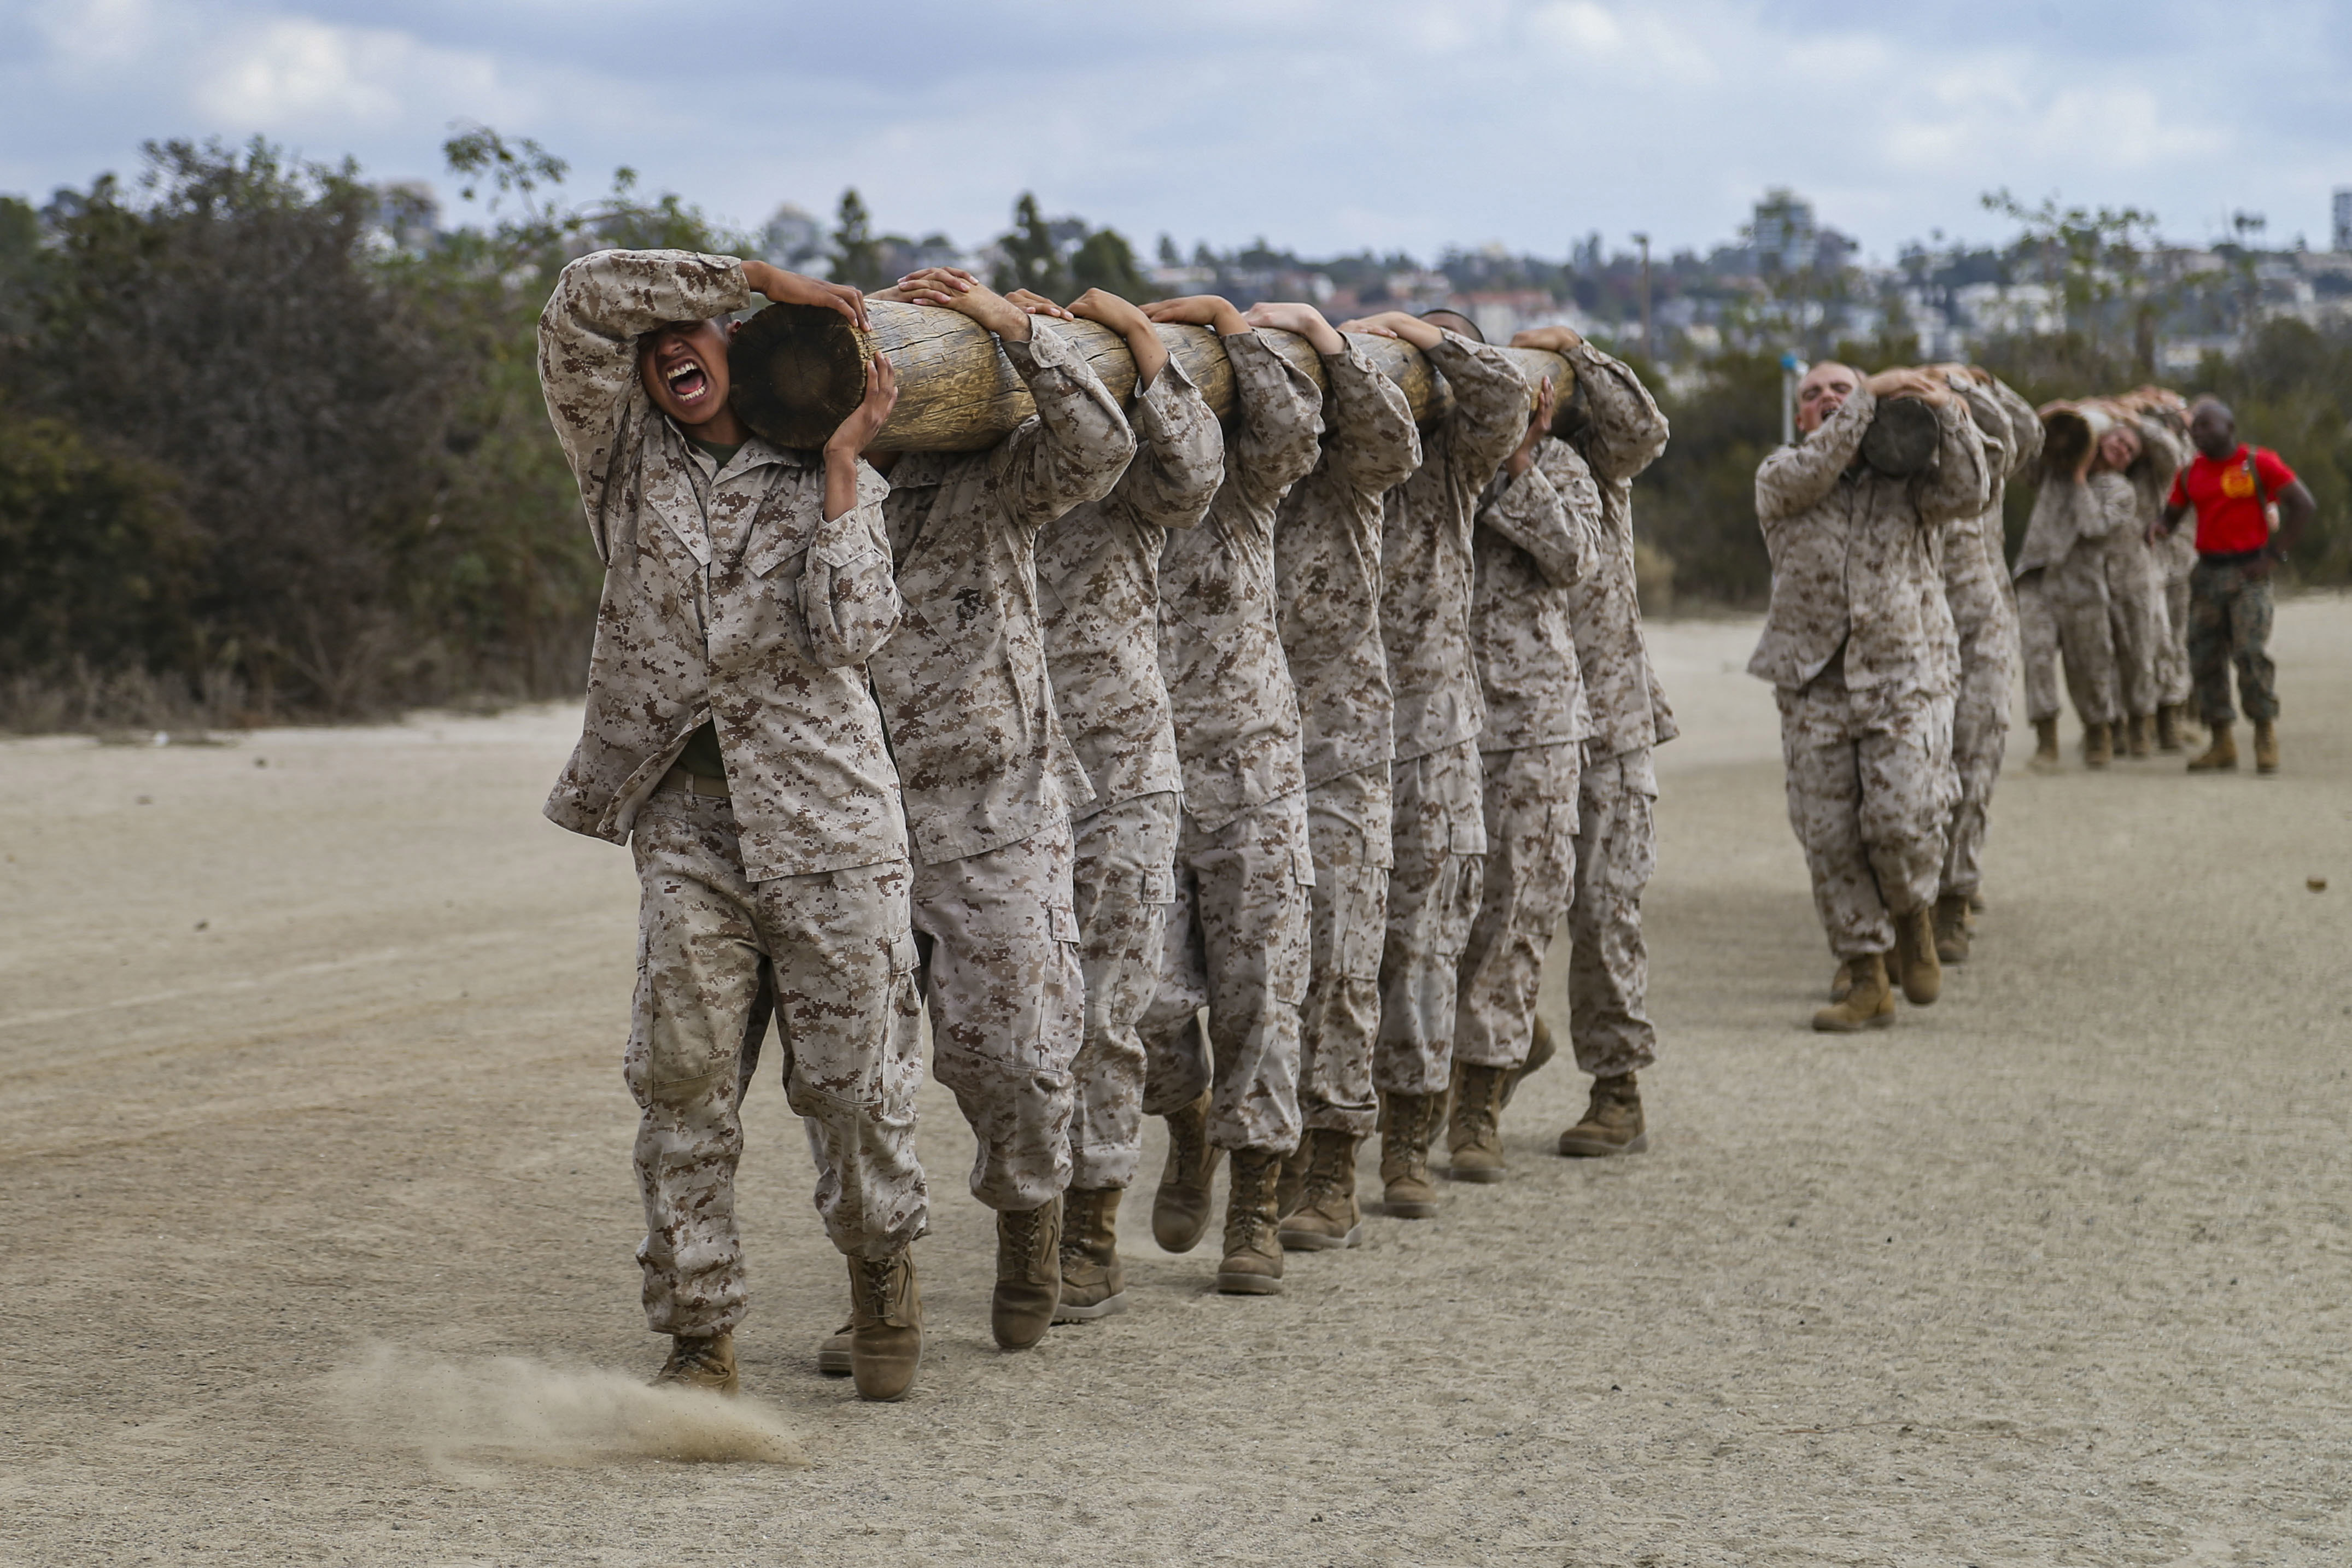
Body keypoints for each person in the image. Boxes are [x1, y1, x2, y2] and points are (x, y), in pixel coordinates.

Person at [536, 248, 927, 1401]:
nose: (670, 346)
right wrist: (755, 275)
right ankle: (699, 1335)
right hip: (689, 826)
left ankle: (881, 1273)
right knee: (683, 1082)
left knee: (853, 1086)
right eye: (657, 339)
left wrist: (846, 466)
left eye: (696, 331)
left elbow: (855, 634)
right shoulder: (622, 453)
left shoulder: (825, 469)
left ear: (740, 355)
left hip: (831, 823)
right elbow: (581, 298)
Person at [858, 267, 1136, 1353]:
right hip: (857, 814)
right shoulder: (807, 478)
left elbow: (1101, 449)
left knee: (1016, 1053)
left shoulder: (990, 473)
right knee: (856, 1073)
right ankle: (877, 1277)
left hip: (999, 808)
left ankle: (1031, 1215)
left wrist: (1013, 329)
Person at [1020, 286, 1224, 1321]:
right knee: (1025, 1020)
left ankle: (1092, 1224)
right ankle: (1070, 1190)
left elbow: (1195, 474)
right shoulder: (990, 465)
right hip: (1008, 777)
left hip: (1121, 766)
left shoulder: (1132, 468)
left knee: (1117, 1006)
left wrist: (1139, 341)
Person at [1136, 292, 1325, 1295]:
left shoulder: (1248, 480)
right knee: (1147, 1001)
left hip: (1251, 769)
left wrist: (1227, 325)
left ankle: (1254, 1198)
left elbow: (1293, 423)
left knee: (1260, 993)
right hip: (1137, 775)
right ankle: (1187, 1118)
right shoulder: (1103, 480)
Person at [1339, 307, 1529, 1219]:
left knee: (1421, 949)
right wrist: (1336, 349)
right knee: (1335, 958)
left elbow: (1503, 395)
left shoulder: (1456, 461)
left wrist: (1421, 337)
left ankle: (1408, 1144)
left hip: (1432, 742)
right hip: (1330, 745)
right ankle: (1319, 1155)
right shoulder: (1321, 457)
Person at [1751, 362, 1988, 1032]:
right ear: (1801, 417)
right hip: (1813, 682)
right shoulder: (1782, 475)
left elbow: (1971, 492)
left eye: (1842, 388)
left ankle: (1913, 917)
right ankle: (1865, 976)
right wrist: (1869, 394)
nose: (1830, 399)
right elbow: (1813, 471)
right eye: (1815, 394)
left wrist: (1948, 412)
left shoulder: (1909, 484)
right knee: (1829, 838)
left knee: (1901, 821)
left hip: (1903, 678)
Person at [1262, 301, 1422, 1249]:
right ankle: (1246, 1139)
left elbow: (1393, 437)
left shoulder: (1352, 472)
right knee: (1244, 980)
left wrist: (1328, 341)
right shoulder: (1226, 478)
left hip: (1340, 749)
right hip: (1231, 757)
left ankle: (1329, 1164)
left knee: (1339, 964)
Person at [1503, 327, 1676, 1157]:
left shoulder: (1597, 462)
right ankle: (1503, 1040)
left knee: (1605, 910)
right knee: (1492, 907)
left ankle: (1617, 1087)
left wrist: (1576, 352)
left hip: (1607, 720)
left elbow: (1643, 426)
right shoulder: (1455, 467)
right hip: (1509, 727)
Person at [1446, 373, 1598, 1179]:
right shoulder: (1405, 463)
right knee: (1429, 920)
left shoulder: (1558, 468)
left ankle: (1477, 1103)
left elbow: (1575, 557)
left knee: (1513, 911)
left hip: (1528, 721)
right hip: (1423, 721)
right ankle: (1475, 1052)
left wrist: (1517, 460)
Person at [1926, 366, 2039, 965]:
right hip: (1912, 634)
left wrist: (1967, 385)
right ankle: (1915, 894)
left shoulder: (1985, 465)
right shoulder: (1885, 462)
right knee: (1917, 769)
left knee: (1975, 756)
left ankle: (1954, 896)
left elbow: (2027, 433)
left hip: (1981, 625)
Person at [2156, 397, 2315, 774]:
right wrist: (2158, 528)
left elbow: (2303, 504)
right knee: (2204, 656)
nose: (2198, 433)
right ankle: (2221, 742)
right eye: (2194, 427)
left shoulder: (2259, 463)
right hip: (2207, 573)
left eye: (2206, 425)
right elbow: (2172, 515)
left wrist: (2274, 555)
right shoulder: (2189, 473)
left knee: (2250, 653)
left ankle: (2264, 734)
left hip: (2249, 573)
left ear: (2229, 427)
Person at [2014, 408, 2125, 769]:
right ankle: (2046, 741)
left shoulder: (2117, 490)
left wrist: (2079, 480)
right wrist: (2045, 418)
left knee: (2089, 665)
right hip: (2038, 581)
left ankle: (2098, 732)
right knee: (2037, 658)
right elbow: (2019, 453)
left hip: (2084, 588)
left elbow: (2094, 528)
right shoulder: (2049, 474)